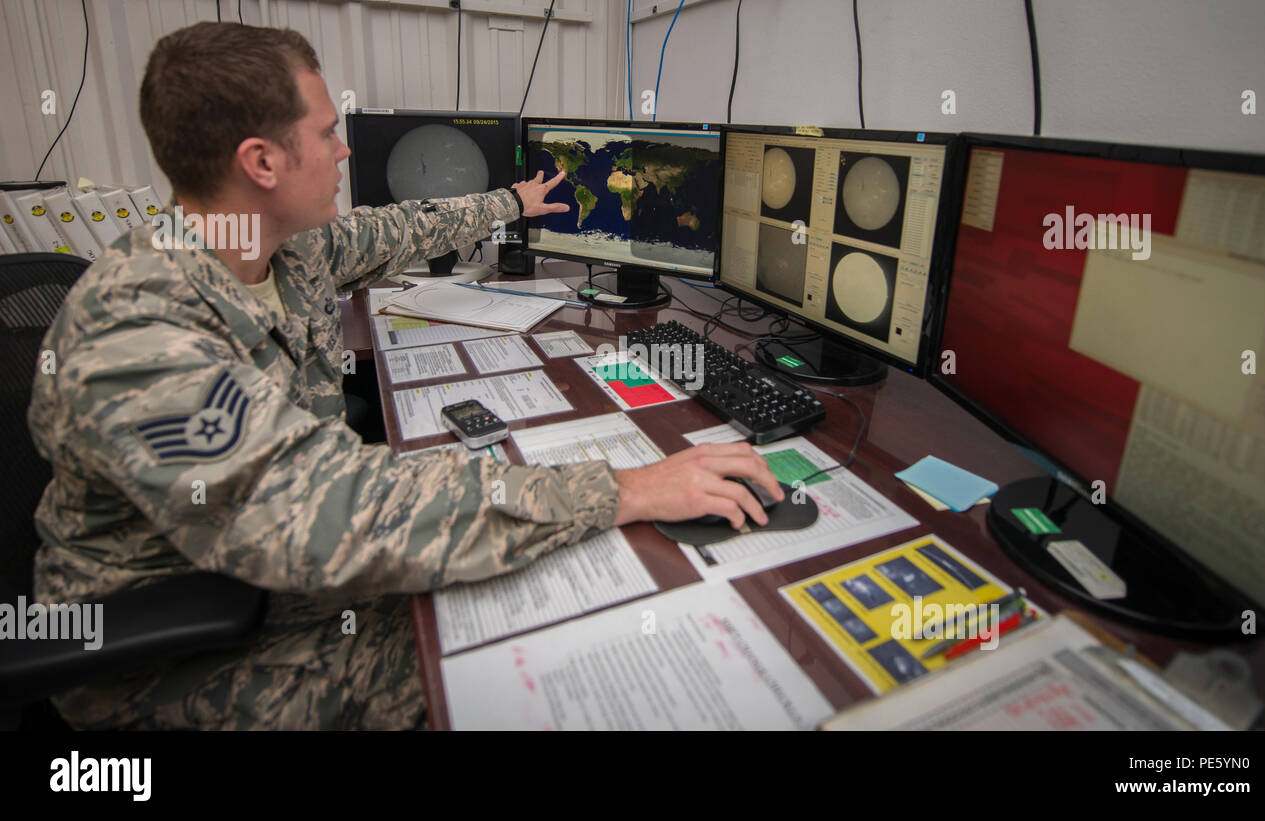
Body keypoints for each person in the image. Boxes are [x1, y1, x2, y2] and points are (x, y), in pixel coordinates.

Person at [26, 21, 781, 729]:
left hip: (278, 579)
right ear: (261, 162)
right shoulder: (137, 328)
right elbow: (335, 513)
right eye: (325, 135)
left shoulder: (282, 246)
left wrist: (510, 202)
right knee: (516, 669)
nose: (343, 151)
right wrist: (625, 488)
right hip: (181, 648)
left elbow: (396, 230)